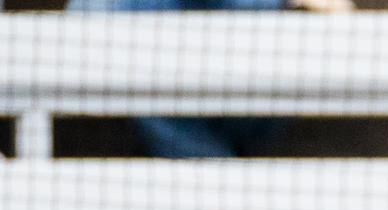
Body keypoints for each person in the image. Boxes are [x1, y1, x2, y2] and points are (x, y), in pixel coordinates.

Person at [65, 0, 355, 160]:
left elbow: (341, 25)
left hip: (252, 104)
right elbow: (78, 34)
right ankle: (214, 175)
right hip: (169, 93)